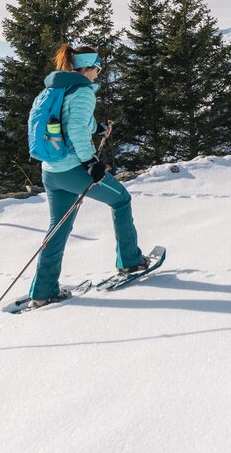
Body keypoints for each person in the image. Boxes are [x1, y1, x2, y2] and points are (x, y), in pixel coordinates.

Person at [29, 43, 146, 308]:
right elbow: (77, 129)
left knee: (58, 227)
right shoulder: (82, 92)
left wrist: (98, 127)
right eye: (98, 68)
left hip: (51, 171)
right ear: (88, 68)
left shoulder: (56, 88)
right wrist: (91, 162)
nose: (99, 73)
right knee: (121, 200)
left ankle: (43, 290)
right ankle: (129, 261)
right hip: (75, 170)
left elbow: (72, 122)